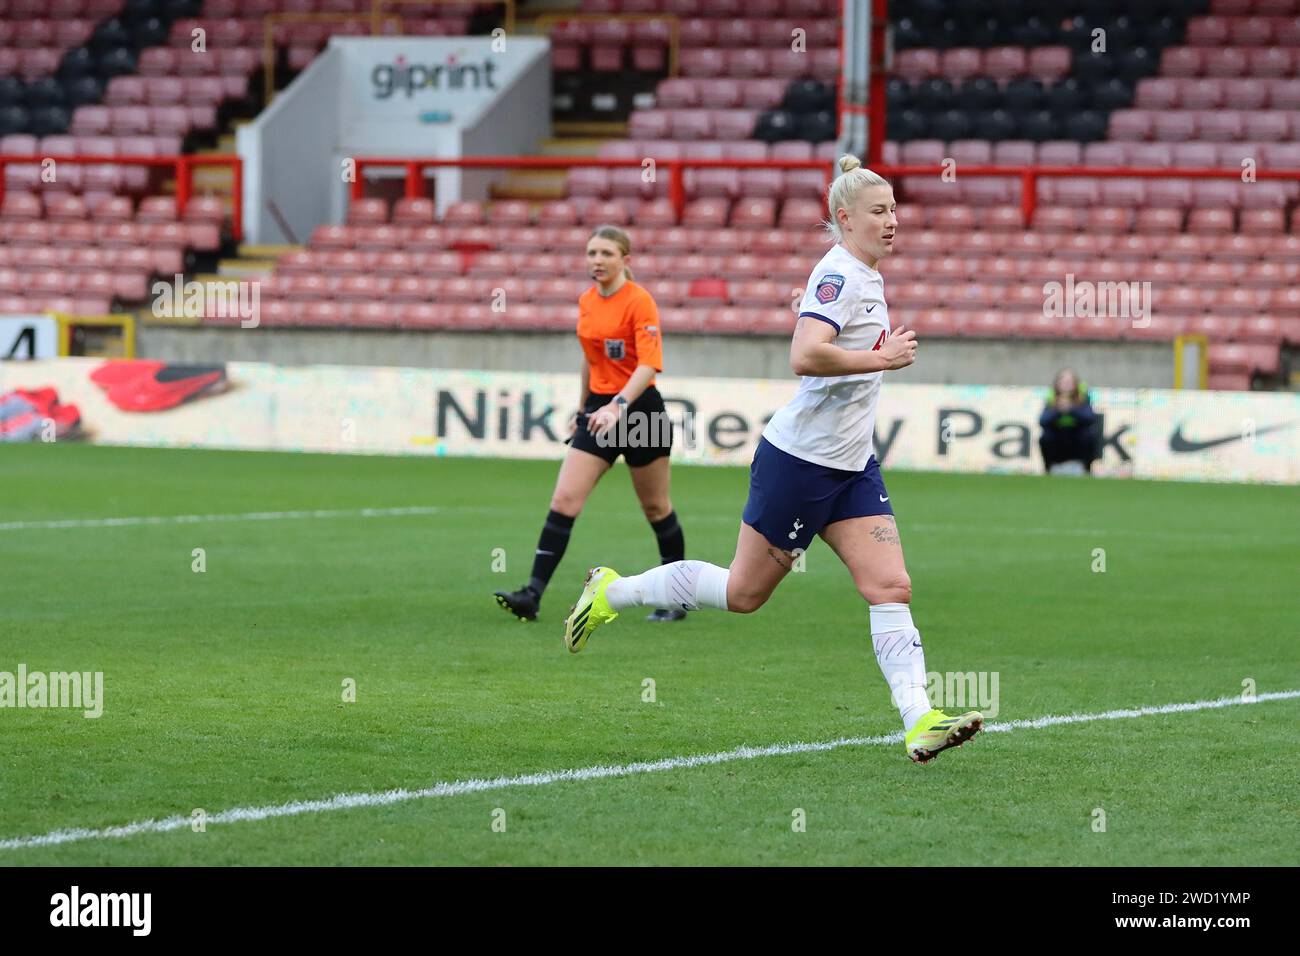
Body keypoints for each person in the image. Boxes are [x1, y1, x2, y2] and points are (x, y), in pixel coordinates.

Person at [559, 156, 983, 765]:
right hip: (801, 462)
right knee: (743, 593)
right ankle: (612, 592)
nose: (894, 221)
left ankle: (919, 721)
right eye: (880, 212)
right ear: (845, 218)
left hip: (852, 464)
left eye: (895, 210)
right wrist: (881, 360)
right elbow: (806, 354)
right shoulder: (838, 274)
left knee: (891, 585)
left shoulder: (866, 272)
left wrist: (876, 358)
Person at [494, 225, 689, 624]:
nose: (596, 261)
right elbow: (590, 358)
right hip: (599, 411)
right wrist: (583, 408)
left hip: (640, 412)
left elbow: (648, 363)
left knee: (655, 507)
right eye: (591, 253)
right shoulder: (587, 301)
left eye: (605, 253)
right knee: (564, 501)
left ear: (625, 260)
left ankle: (677, 597)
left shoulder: (639, 301)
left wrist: (618, 405)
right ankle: (532, 594)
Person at [1039, 369, 1101, 474]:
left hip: (1077, 439)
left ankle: (1086, 469)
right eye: (1063, 382)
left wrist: (1071, 409)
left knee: (1090, 436)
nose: (1066, 385)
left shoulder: (1083, 397)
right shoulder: (1051, 398)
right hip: (1058, 438)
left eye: (1069, 382)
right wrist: (1058, 410)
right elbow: (1043, 421)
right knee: (1045, 437)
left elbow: (1091, 418)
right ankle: (1049, 468)